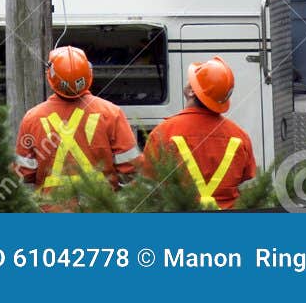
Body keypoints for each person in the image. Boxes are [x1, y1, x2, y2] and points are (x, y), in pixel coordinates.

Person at [14, 45, 140, 197]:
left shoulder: (33, 118)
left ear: (50, 76)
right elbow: (132, 168)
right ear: (89, 74)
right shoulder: (112, 113)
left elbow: (24, 173)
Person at [143, 55, 256, 209]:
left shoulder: (163, 133)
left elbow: (148, 183)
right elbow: (247, 180)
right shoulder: (240, 137)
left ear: (191, 91)